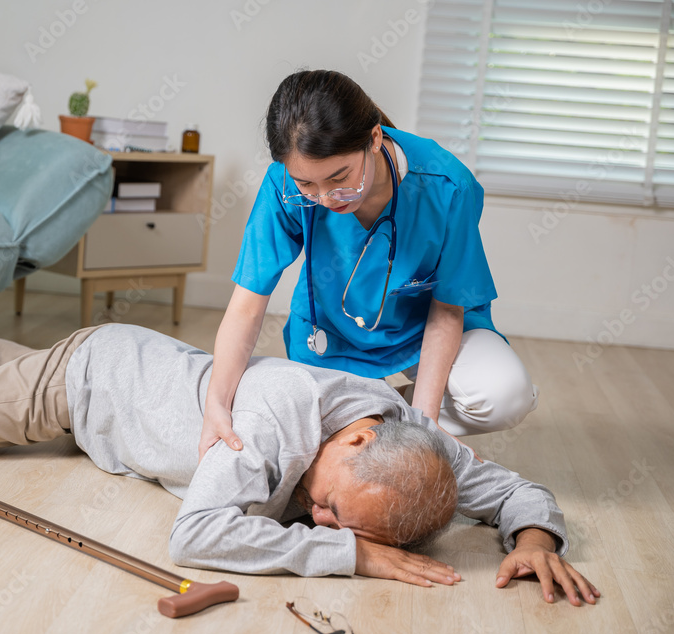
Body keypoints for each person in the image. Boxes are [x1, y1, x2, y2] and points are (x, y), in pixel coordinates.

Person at [0, 318, 598, 606]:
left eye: (339, 524)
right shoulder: (277, 418)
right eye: (333, 507)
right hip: (90, 383)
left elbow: (514, 489)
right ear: (353, 441)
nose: (320, 519)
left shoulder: (416, 444)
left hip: (136, 390)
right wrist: (350, 554)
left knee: (9, 380)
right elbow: (195, 534)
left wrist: (536, 539)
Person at [200, 70, 539, 459]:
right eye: (306, 185)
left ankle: (380, 416)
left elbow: (447, 310)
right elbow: (247, 303)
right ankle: (374, 415)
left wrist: (423, 427)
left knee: (505, 396)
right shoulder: (285, 181)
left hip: (425, 331)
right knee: (301, 434)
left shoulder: (447, 186)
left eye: (339, 177)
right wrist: (216, 404)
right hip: (332, 333)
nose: (326, 198)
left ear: (374, 139)